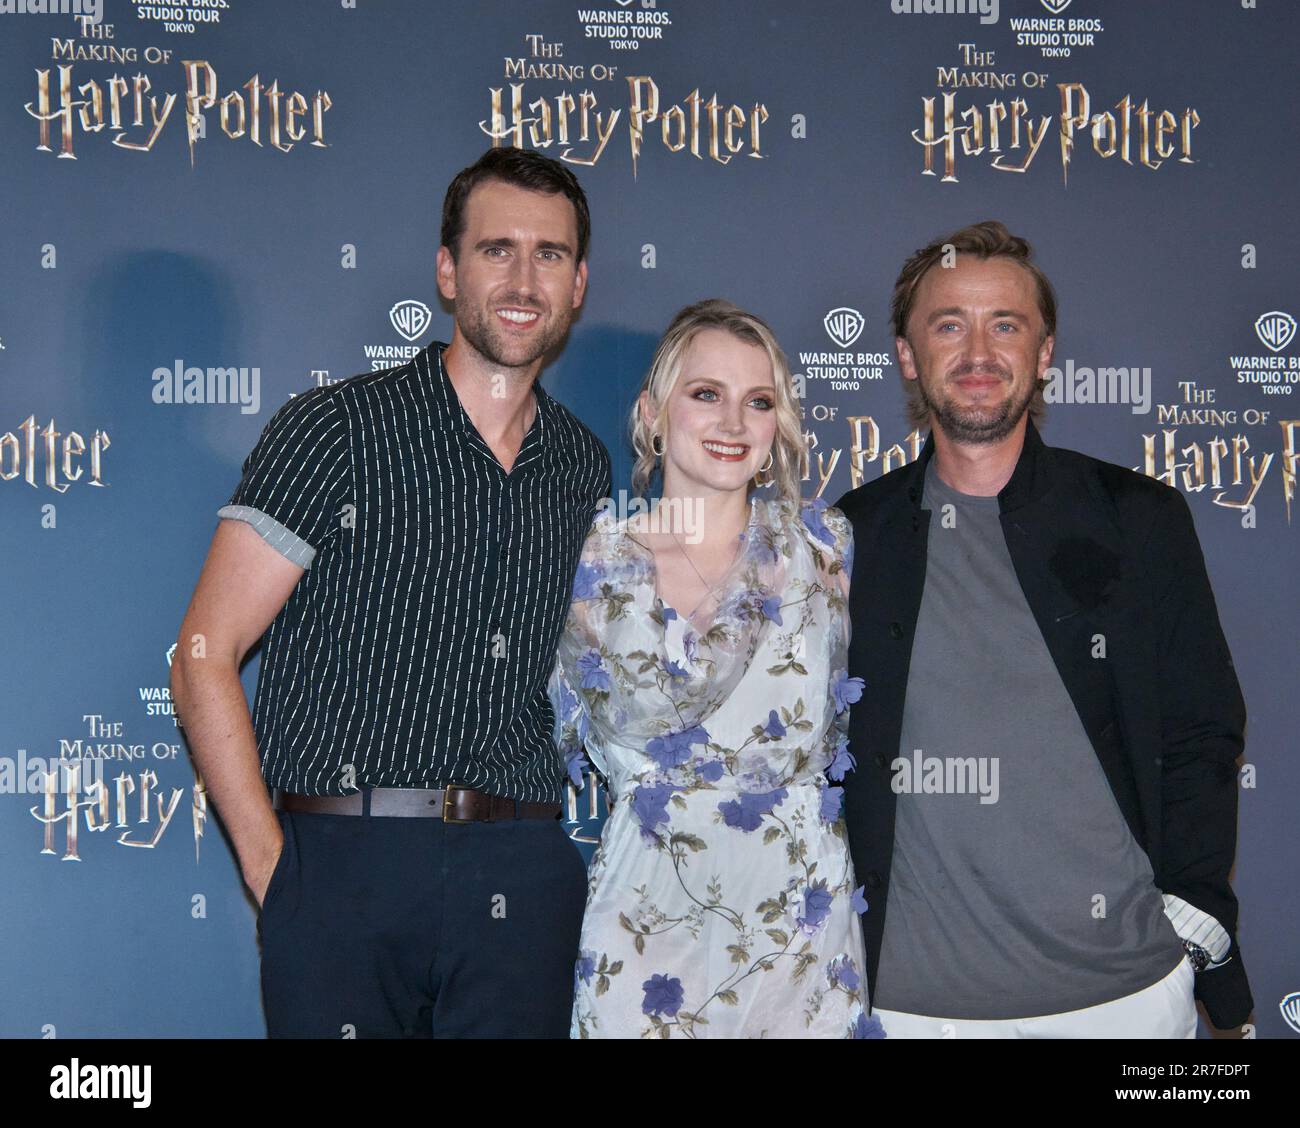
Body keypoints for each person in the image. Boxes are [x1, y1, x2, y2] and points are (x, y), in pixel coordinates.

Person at [171, 147, 610, 1038]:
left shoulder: (582, 463)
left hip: (520, 869)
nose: (524, 278)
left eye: (550, 254)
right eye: (497, 250)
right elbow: (203, 655)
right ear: (448, 271)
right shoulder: (333, 428)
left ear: (578, 285)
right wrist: (276, 874)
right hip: (345, 865)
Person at [836, 220, 1252, 1037]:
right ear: (907, 357)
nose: (979, 350)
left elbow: (1204, 727)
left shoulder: (1140, 521)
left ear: (1046, 352)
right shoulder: (851, 537)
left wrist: (1195, 910)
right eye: (949, 323)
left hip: (1125, 998)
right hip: (915, 1008)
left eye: (1007, 324)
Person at [550, 299, 882, 1039]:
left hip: (799, 934)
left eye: (757, 401)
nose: (733, 423)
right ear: (652, 411)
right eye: (707, 394)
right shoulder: (589, 564)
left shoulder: (826, 552)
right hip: (641, 931)